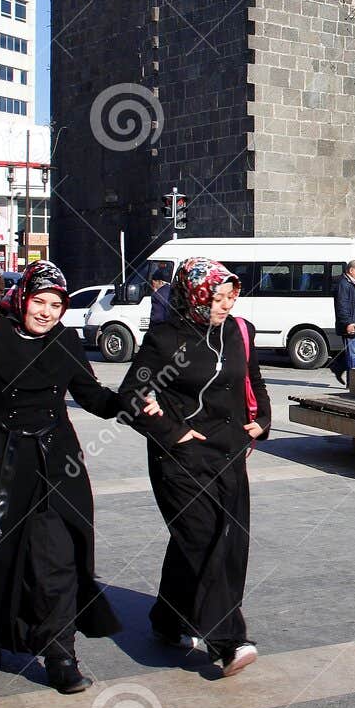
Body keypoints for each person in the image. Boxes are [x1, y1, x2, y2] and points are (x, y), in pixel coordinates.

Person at [0, 261, 160, 694]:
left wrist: (131, 403)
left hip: (56, 465)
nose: (47, 311)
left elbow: (91, 394)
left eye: (57, 304)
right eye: (40, 301)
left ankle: (61, 654)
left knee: (57, 559)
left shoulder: (64, 341)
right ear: (22, 298)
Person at [120, 257, 269, 678]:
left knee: (227, 543)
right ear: (196, 297)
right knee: (204, 542)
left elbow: (254, 382)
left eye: (230, 296)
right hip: (179, 461)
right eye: (217, 297)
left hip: (229, 456)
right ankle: (227, 640)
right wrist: (172, 431)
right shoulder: (166, 338)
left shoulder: (239, 332)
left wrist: (263, 422)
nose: (225, 305)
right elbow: (131, 396)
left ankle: (167, 619)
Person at [330, 259, 355, 385]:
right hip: (350, 325)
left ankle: (338, 366)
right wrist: (348, 323)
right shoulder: (343, 284)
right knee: (353, 354)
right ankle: (351, 382)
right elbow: (342, 306)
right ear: (351, 270)